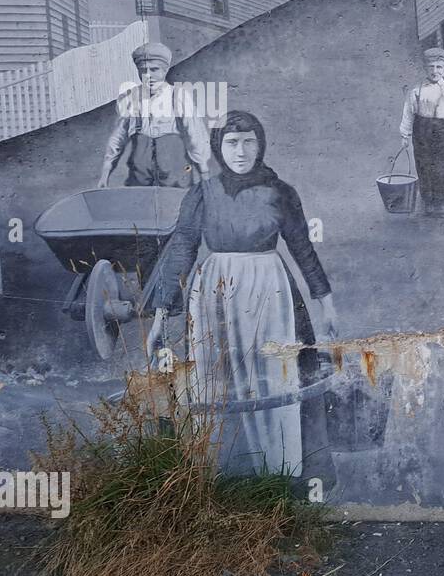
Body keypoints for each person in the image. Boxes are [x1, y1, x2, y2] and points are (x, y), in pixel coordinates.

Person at [146, 111, 338, 477]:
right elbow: (182, 249)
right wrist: (159, 316)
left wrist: (325, 304)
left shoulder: (280, 193)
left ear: (260, 144)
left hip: (272, 292)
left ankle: (280, 468)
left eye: (249, 141)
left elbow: (302, 248)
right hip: (214, 297)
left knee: (276, 374)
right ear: (219, 147)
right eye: (232, 143)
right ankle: (228, 471)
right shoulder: (202, 193)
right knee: (219, 378)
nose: (241, 151)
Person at [98, 42, 210, 189]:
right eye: (143, 71)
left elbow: (195, 134)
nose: (148, 76)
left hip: (174, 169)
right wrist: (106, 173)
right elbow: (118, 137)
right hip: (140, 172)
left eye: (154, 69)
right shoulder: (130, 98)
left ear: (165, 70)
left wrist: (204, 173)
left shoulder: (178, 96)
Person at [398, 47, 444, 218]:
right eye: (431, 67)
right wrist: (405, 134)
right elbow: (408, 112)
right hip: (422, 129)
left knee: (442, 167)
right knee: (424, 166)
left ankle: (441, 204)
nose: (435, 71)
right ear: (425, 68)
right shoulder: (416, 90)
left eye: (439, 67)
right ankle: (428, 203)